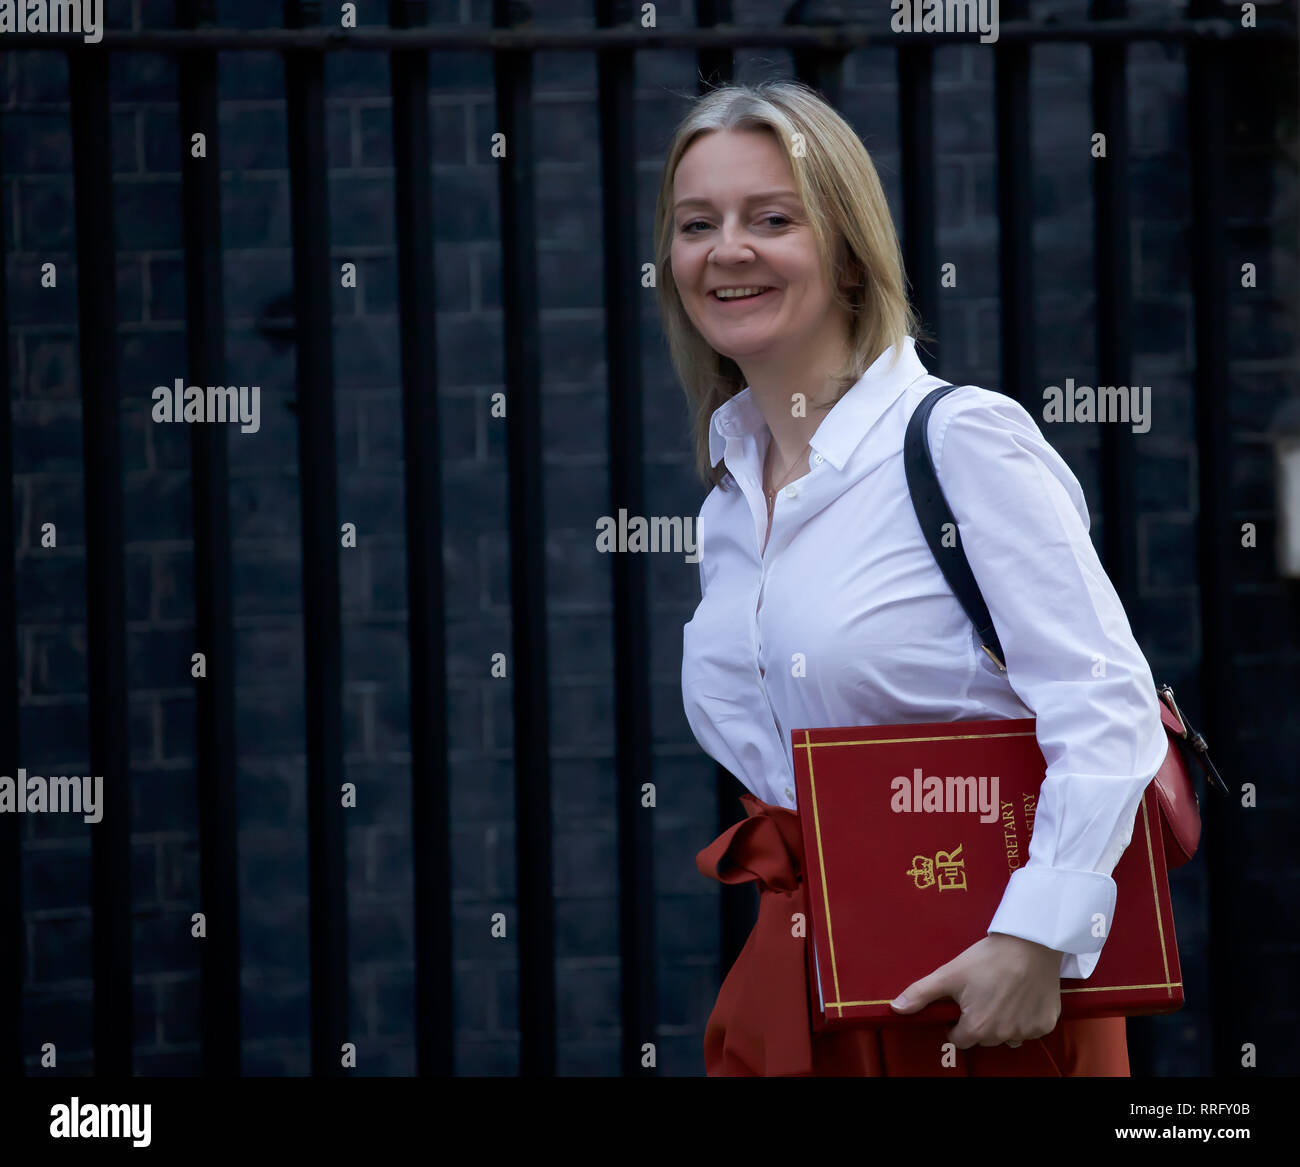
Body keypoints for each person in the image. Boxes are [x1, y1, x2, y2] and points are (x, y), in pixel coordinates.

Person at [658, 80, 1169, 1077]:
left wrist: (1034, 936)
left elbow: (1106, 705)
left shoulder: (960, 441)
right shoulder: (731, 495)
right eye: (694, 224)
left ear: (850, 254)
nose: (726, 250)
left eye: (772, 218)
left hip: (983, 991)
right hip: (801, 977)